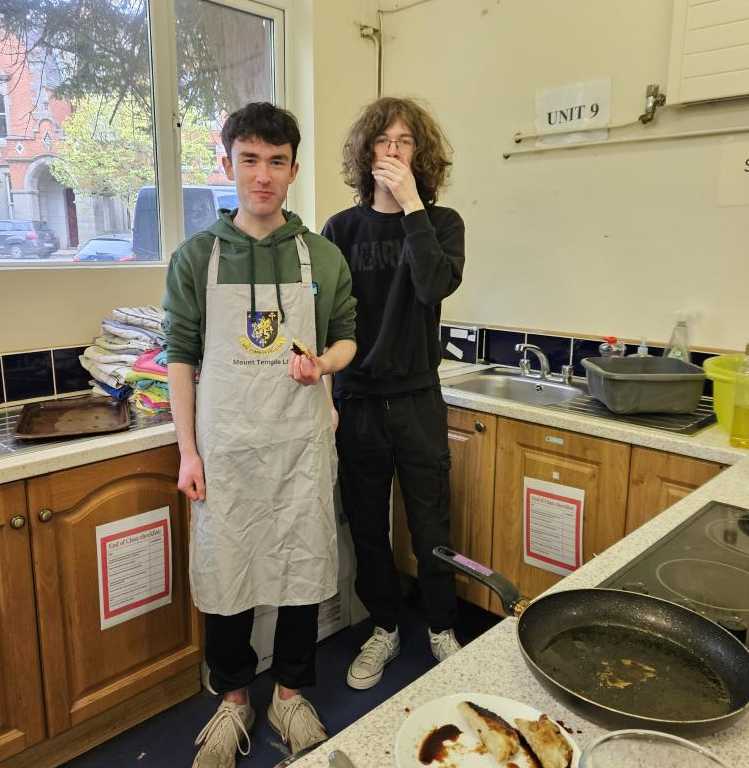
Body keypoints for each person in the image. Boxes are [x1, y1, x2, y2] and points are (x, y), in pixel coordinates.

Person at [163, 101, 357, 767]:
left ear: (294, 170)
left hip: (298, 444)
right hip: (225, 449)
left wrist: (324, 364)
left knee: (302, 569)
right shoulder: (196, 258)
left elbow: (346, 337)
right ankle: (234, 701)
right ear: (227, 165)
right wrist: (188, 451)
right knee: (227, 574)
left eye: (276, 162)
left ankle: (292, 695)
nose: (262, 175)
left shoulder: (321, 257)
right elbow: (180, 358)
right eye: (249, 159)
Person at [322, 97, 465, 691]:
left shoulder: (445, 223)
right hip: (356, 401)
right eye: (383, 141)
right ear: (366, 151)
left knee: (431, 522)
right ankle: (384, 626)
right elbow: (324, 317)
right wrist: (327, 398)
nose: (393, 151)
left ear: (420, 154)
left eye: (405, 142)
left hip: (417, 399)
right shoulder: (340, 229)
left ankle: (439, 626)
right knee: (366, 525)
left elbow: (435, 286)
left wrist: (411, 206)